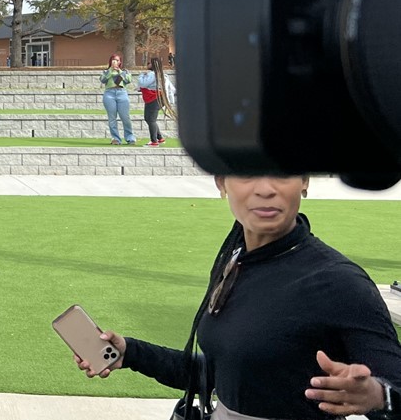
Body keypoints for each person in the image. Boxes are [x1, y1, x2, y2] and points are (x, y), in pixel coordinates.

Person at [74, 175, 401, 420]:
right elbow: (222, 373)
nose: (265, 188)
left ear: (304, 182)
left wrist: (377, 395)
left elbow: (394, 389)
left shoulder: (340, 283)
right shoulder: (234, 259)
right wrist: (131, 353)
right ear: (221, 183)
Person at [100, 53, 135, 145]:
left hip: (121, 93)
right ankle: (115, 138)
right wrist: (111, 71)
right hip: (109, 94)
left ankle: (130, 137)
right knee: (112, 118)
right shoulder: (106, 71)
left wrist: (119, 71)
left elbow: (128, 80)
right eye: (113, 60)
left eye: (117, 60)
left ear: (120, 62)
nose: (115, 62)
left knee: (125, 117)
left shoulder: (124, 71)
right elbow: (103, 80)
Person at [137, 57, 167, 147]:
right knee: (148, 118)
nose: (147, 65)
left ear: (153, 65)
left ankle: (154, 141)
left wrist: (142, 75)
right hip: (155, 98)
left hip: (153, 99)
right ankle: (159, 138)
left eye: (149, 63)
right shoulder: (158, 74)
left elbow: (143, 84)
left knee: (151, 119)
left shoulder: (152, 74)